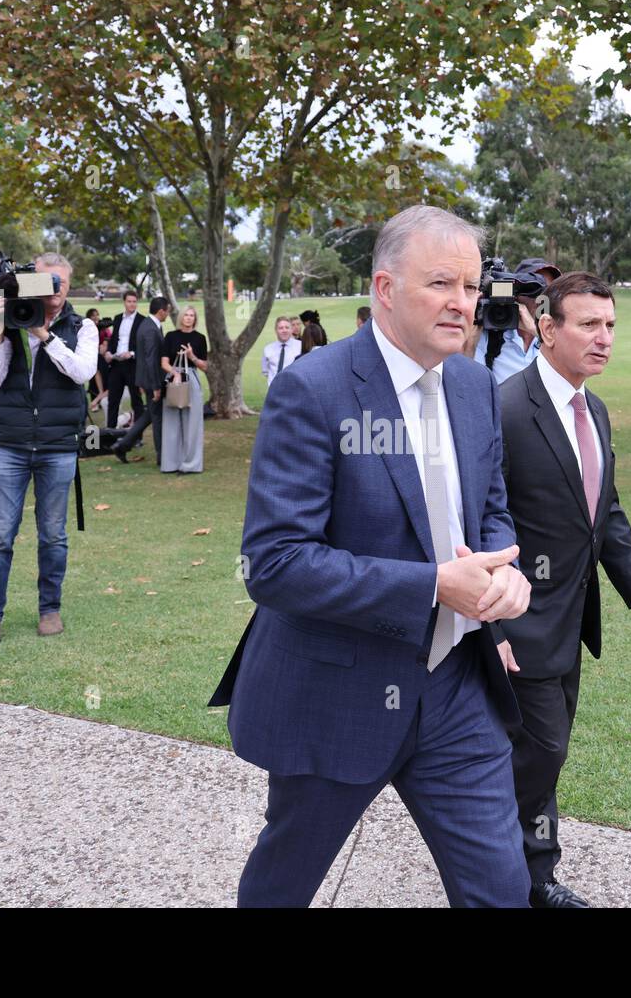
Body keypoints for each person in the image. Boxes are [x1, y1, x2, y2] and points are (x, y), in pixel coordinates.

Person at [209, 204, 534, 907]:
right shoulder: (313, 389)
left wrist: (503, 579)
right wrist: (431, 586)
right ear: (385, 289)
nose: (462, 303)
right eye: (441, 284)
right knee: (282, 887)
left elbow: (490, 513)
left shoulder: (476, 387)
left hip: (456, 691)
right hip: (337, 691)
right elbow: (275, 562)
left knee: (502, 889)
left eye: (473, 287)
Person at [495, 270, 631, 908]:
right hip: (517, 626)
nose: (605, 339)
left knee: (545, 754)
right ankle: (480, 853)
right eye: (590, 325)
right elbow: (479, 524)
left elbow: (606, 513)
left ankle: (535, 876)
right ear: (547, 329)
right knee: (540, 750)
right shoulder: (507, 410)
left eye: (611, 326)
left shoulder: (591, 408)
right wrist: (492, 627)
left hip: (571, 624)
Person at [0, 253, 98, 645]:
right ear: (31, 284)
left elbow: (81, 373)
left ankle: (50, 610)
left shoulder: (84, 326)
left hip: (57, 446)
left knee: (53, 535)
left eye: (61, 283)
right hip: (7, 445)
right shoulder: (10, 323)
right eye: (46, 283)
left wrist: (46, 335)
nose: (55, 291)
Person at [465, 257, 561, 384]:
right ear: (516, 291)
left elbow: (570, 368)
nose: (541, 299)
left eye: (549, 292)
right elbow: (466, 377)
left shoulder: (554, 338)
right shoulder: (492, 330)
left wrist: (535, 331)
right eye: (533, 290)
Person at [111, 297, 168, 464]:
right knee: (157, 417)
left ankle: (122, 445)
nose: (168, 313)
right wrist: (156, 386)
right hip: (152, 380)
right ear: (161, 311)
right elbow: (151, 359)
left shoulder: (148, 325)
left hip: (147, 379)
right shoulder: (150, 329)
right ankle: (162, 457)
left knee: (149, 415)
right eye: (167, 310)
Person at [160, 305, 207, 473]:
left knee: (192, 423)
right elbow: (164, 362)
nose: (188, 318)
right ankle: (171, 463)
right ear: (181, 317)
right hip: (174, 380)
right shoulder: (171, 336)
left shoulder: (200, 338)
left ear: (195, 318)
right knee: (171, 422)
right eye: (186, 315)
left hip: (192, 379)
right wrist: (174, 372)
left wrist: (191, 356)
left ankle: (191, 464)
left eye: (192, 315)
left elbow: (205, 366)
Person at [104, 289, 144, 428]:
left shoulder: (142, 320)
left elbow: (144, 345)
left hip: (132, 365)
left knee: (136, 401)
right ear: (124, 302)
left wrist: (132, 353)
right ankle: (110, 432)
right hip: (116, 364)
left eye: (134, 302)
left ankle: (137, 436)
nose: (132, 304)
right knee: (113, 400)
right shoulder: (117, 318)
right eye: (129, 301)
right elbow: (114, 339)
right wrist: (109, 352)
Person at [261, 316, 301, 389]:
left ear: (291, 330)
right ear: (276, 330)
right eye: (281, 328)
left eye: (287, 327)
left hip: (294, 389)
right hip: (274, 391)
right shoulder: (268, 349)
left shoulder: (300, 347)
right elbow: (265, 371)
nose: (284, 330)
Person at [82, 308, 108, 410]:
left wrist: (104, 346)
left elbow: (107, 340)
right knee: (94, 369)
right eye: (93, 315)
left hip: (102, 356)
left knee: (98, 368)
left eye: (97, 315)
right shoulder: (86, 328)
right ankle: (97, 399)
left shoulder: (103, 327)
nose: (96, 317)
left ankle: (100, 397)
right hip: (91, 355)